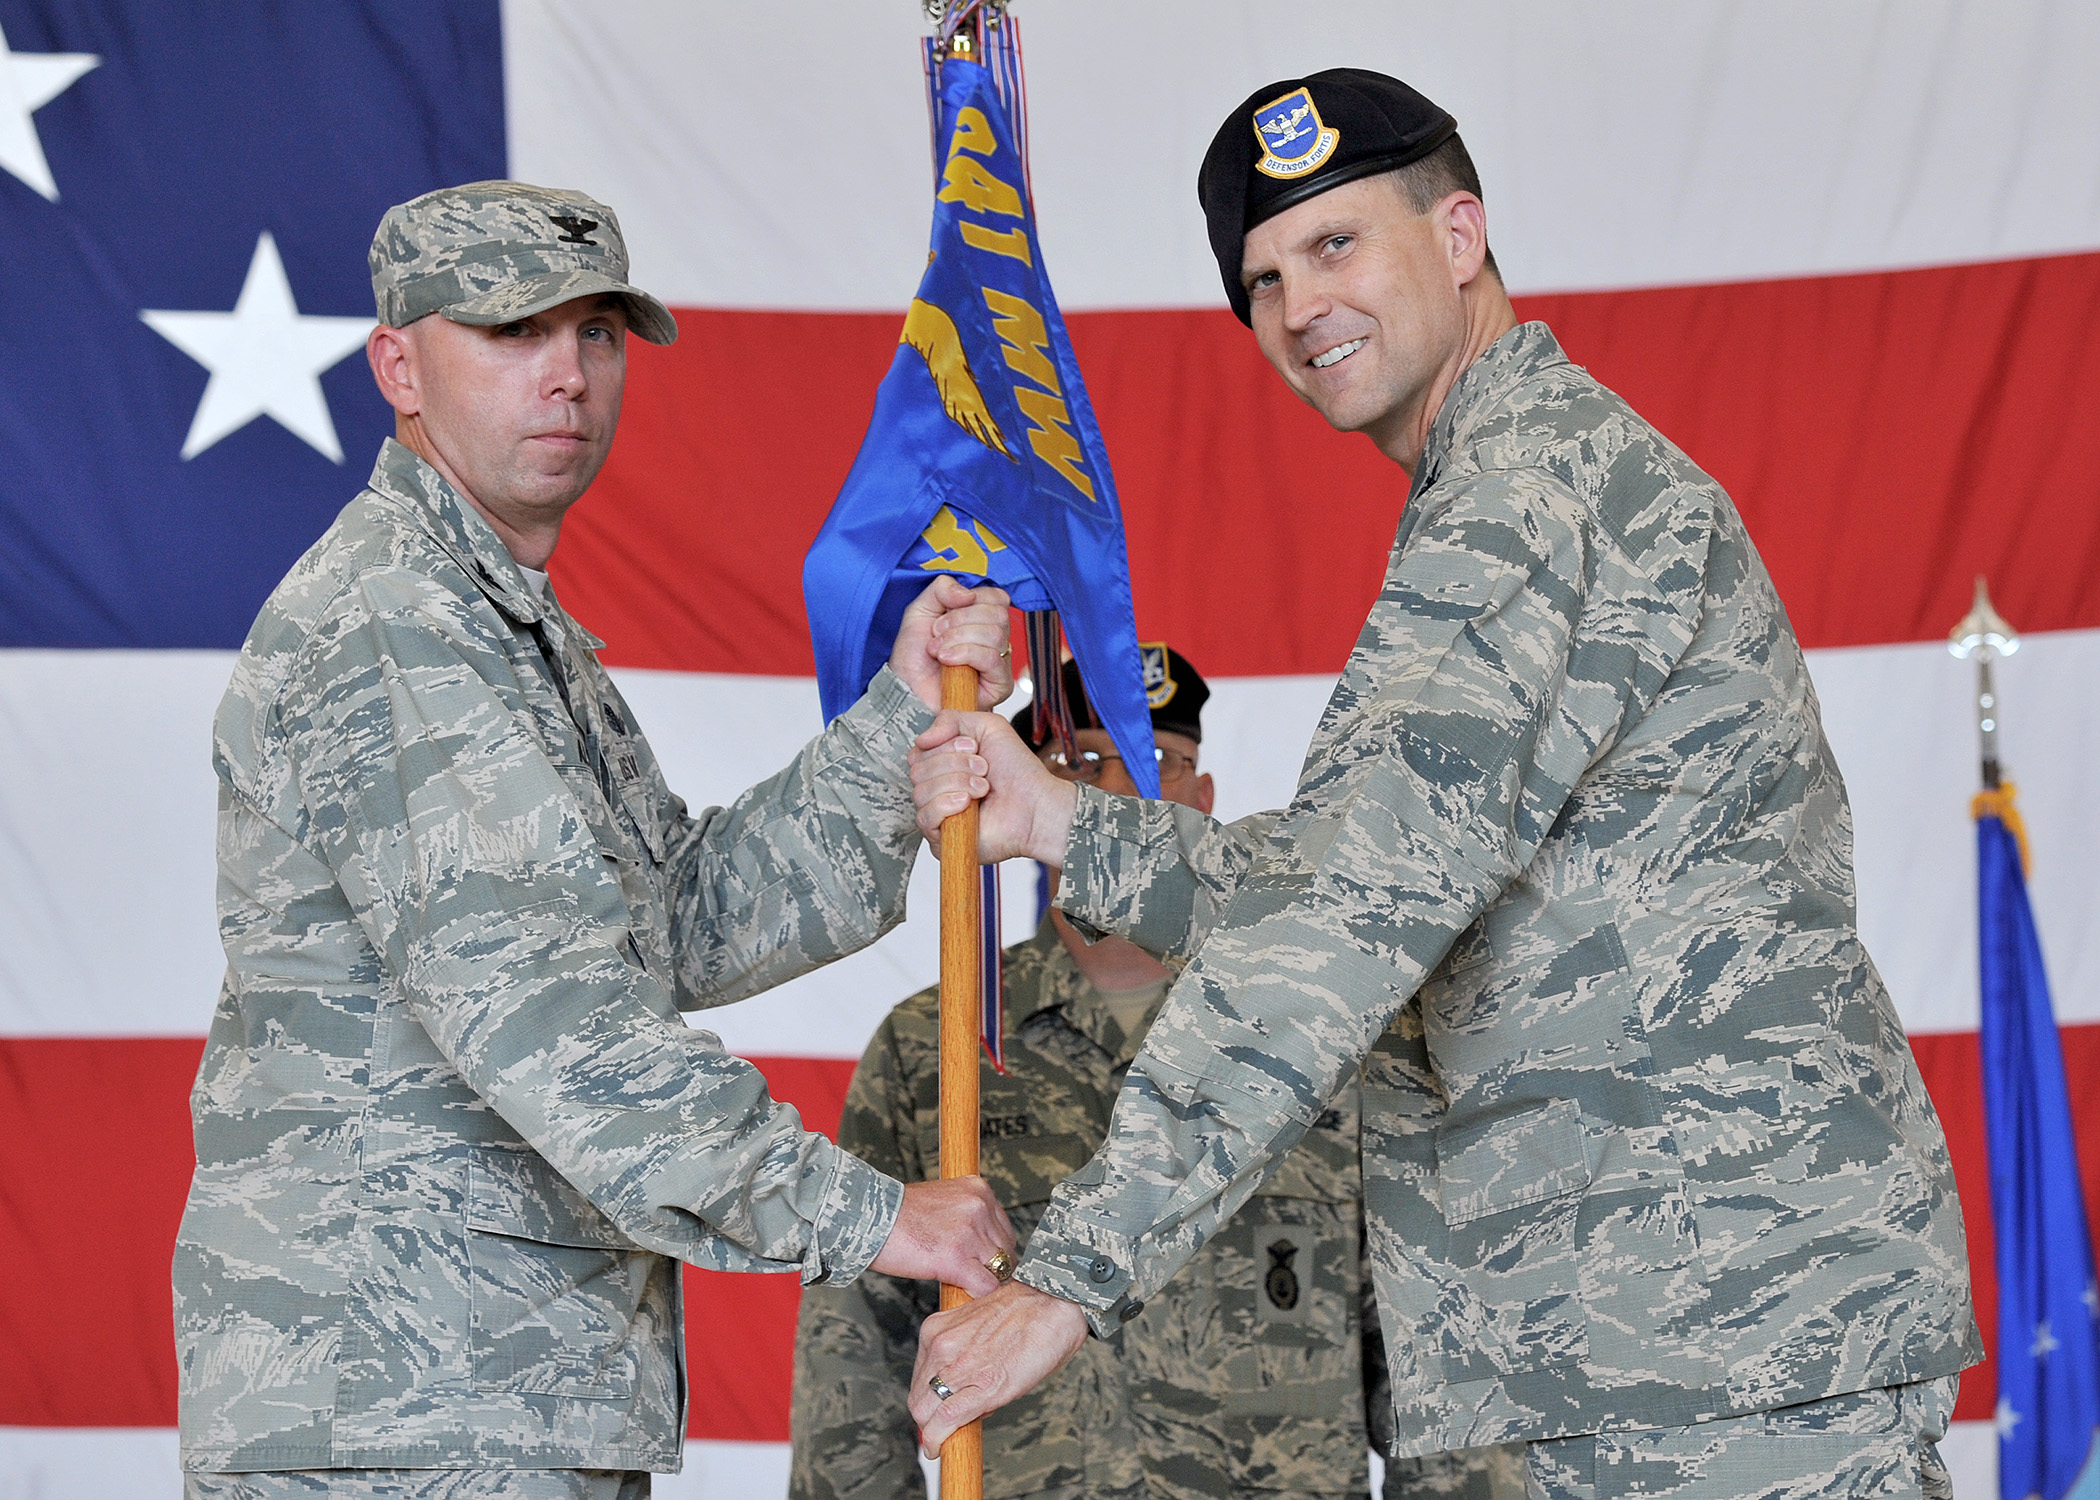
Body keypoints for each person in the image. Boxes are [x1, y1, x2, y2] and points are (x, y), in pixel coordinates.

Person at [903, 70, 1980, 1500]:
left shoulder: (1528, 495)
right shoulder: (1517, 478)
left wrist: (1077, 1275)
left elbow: (1347, 911)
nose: (1299, 307)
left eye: (1338, 244)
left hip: (1709, 1345)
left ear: (1460, 234)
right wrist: (1061, 827)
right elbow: (1388, 867)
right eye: (1265, 278)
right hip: (1637, 1335)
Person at [173, 181, 1017, 1499]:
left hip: (488, 1394)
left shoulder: (499, 625)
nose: (567, 376)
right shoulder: (399, 624)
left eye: (599, 334)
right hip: (404, 1410)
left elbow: (665, 924)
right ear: (399, 365)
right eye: (515, 334)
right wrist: (867, 1213)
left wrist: (895, 724)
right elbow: (560, 1020)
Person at [794, 649, 1524, 1500]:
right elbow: (854, 1361)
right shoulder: (938, 1048)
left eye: (1149, 761)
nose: (1111, 786)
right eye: (1078, 759)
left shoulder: (1330, 1034)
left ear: (1201, 799)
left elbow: (1429, 1358)